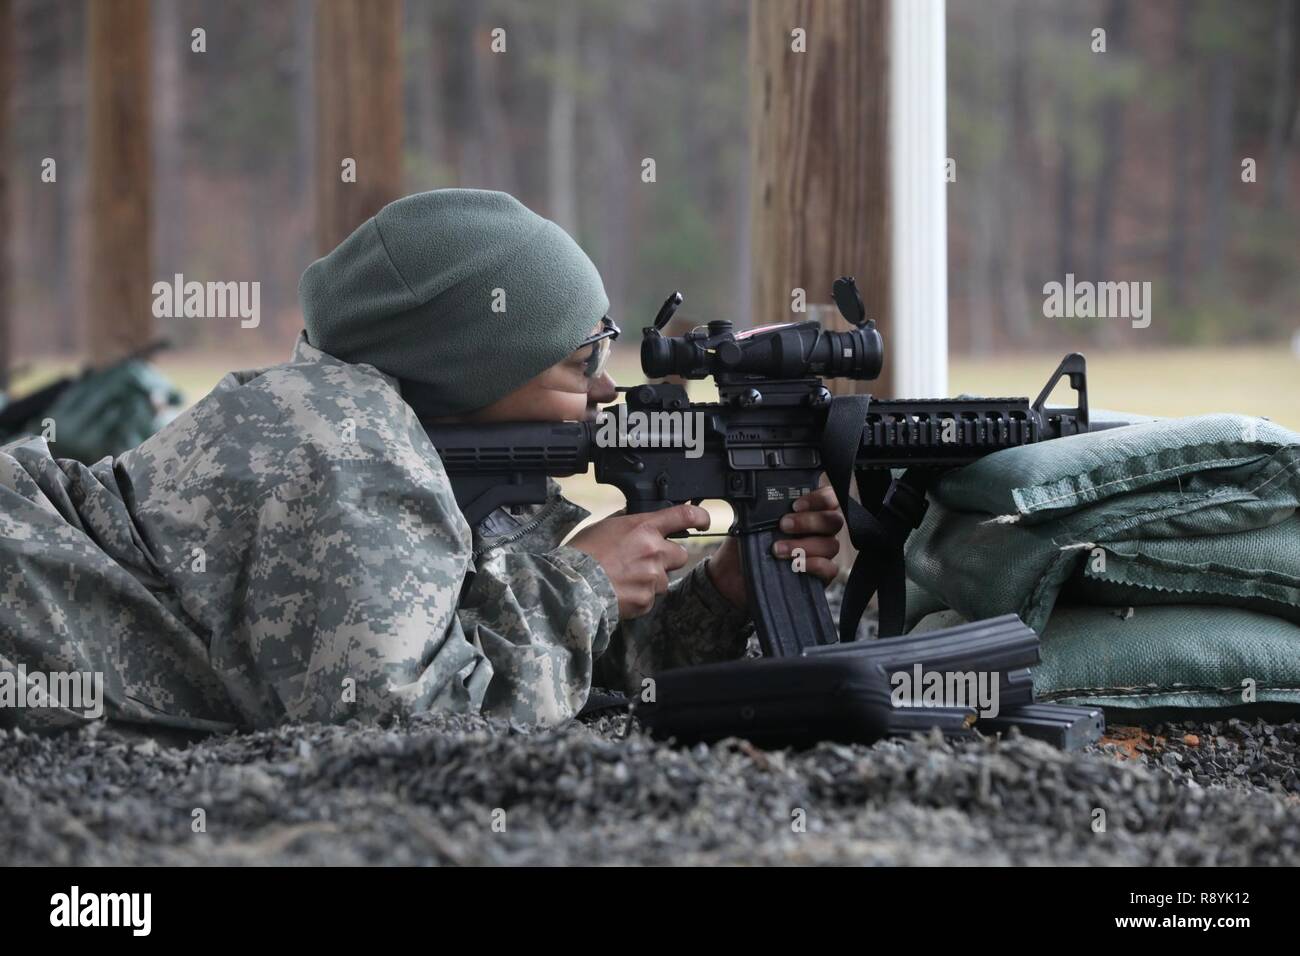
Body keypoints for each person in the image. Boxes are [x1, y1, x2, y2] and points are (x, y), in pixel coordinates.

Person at [0, 189, 842, 735]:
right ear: (475, 363)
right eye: (582, 359)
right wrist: (580, 582)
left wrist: (723, 590)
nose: (608, 388)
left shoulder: (414, 450)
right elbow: (401, 720)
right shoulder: (339, 440)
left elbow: (515, 663)